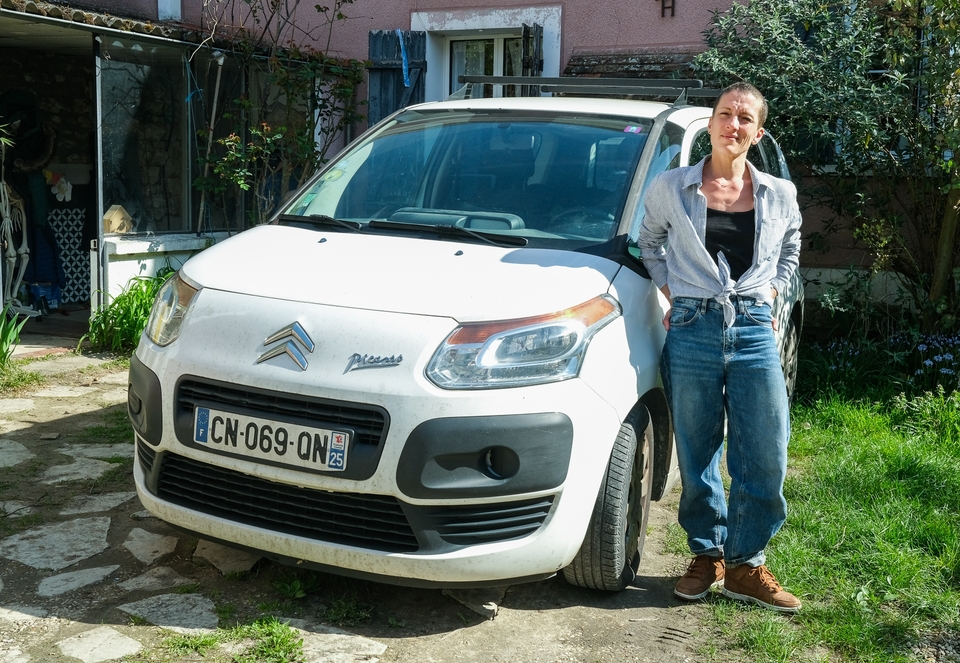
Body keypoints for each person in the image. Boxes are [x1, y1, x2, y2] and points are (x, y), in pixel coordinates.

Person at [637, 82, 802, 613]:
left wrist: (771, 293)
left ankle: (746, 563)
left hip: (754, 328)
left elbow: (791, 249)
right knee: (697, 445)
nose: (734, 124)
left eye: (746, 118)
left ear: (758, 132)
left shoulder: (779, 193)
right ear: (710, 123)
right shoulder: (672, 186)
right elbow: (649, 241)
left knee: (766, 449)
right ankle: (707, 554)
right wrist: (672, 289)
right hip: (692, 328)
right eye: (726, 114)